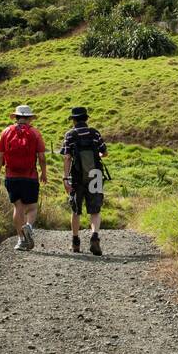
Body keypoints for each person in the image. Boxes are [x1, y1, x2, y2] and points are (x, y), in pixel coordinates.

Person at [0, 104, 47, 252]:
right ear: (29, 119)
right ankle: (29, 226)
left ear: (16, 117)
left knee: (18, 207)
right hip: (30, 177)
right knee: (32, 208)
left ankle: (21, 239)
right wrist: (44, 173)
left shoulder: (5, 132)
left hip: (11, 176)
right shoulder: (35, 133)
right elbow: (41, 157)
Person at [60, 106, 108, 255]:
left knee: (76, 209)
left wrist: (65, 178)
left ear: (73, 120)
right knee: (95, 210)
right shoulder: (94, 133)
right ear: (86, 119)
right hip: (95, 175)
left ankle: (75, 242)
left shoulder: (70, 135)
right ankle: (94, 237)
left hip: (76, 177)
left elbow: (67, 157)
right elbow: (104, 153)